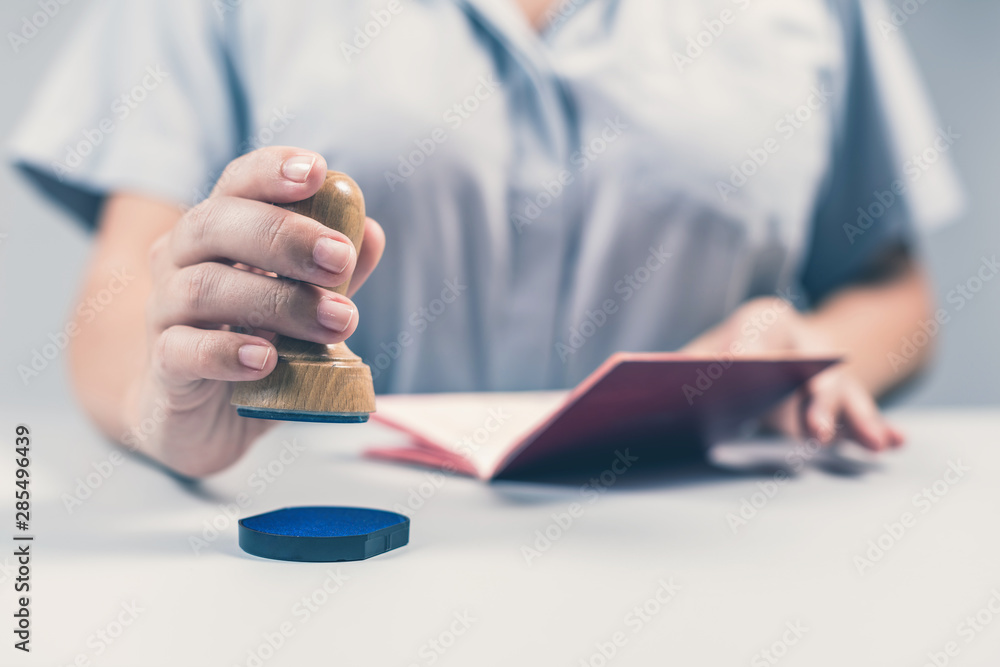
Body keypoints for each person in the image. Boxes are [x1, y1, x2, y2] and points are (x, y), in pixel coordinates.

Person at [10, 0, 963, 477]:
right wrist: (160, 403)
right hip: (337, 557)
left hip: (712, 548)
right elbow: (119, 296)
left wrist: (810, 356)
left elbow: (898, 295)